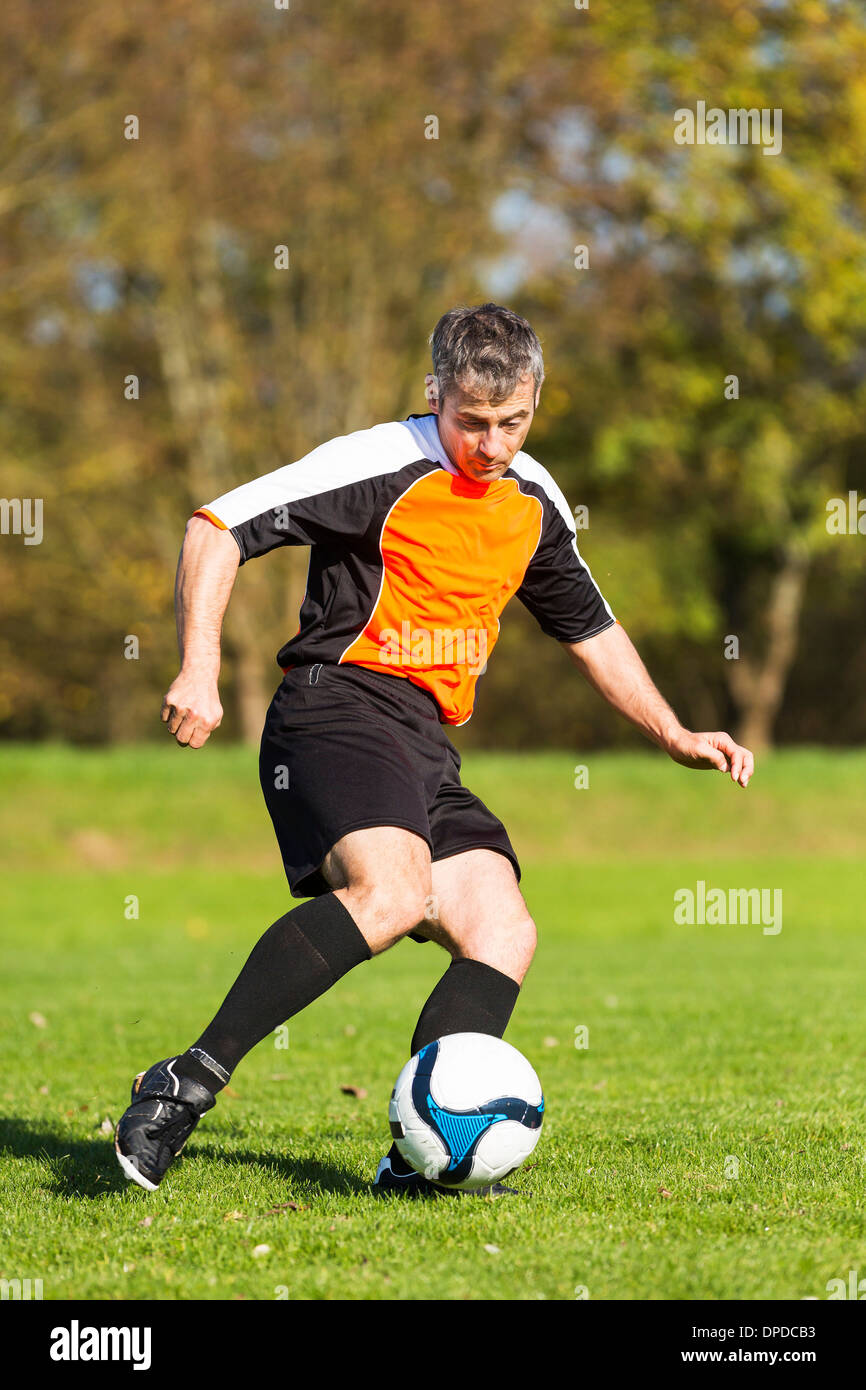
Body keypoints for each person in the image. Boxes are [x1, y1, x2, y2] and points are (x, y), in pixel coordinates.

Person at [114, 303, 753, 1196]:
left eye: (513, 422)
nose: (491, 445)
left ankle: (420, 1160)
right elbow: (215, 527)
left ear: (535, 401)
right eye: (472, 422)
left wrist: (675, 732)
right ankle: (183, 1084)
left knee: (503, 928)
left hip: (422, 738)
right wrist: (199, 666)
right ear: (434, 396)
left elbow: (590, 626)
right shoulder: (377, 464)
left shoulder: (532, 500)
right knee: (394, 891)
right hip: (334, 707)